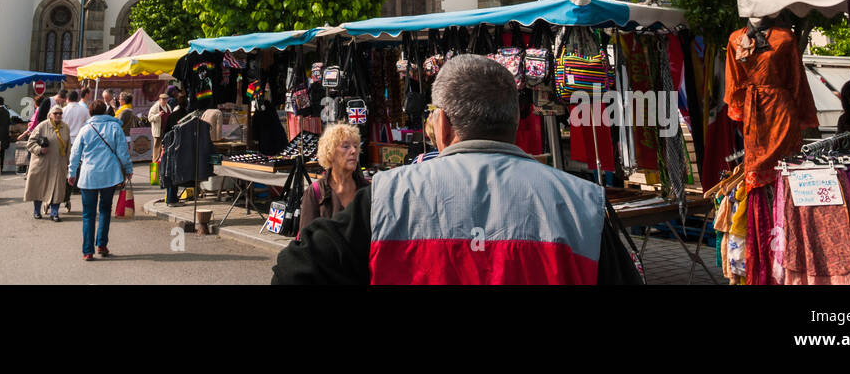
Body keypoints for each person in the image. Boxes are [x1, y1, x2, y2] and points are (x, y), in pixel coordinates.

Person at [272, 54, 640, 285]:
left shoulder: (387, 198)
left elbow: (294, 269)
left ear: (443, 126)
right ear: (514, 122)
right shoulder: (581, 203)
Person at [68, 100, 134, 261]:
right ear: (105, 111)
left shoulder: (85, 129)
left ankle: (87, 251)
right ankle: (102, 244)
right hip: (109, 175)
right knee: (105, 210)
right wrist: (129, 169)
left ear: (90, 113)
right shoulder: (115, 127)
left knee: (88, 214)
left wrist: (71, 172)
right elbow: (122, 152)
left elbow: (75, 153)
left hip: (88, 176)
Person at [299, 123, 369, 236]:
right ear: (330, 152)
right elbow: (305, 241)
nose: (353, 151)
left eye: (355, 146)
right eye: (346, 146)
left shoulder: (366, 190)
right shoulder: (316, 192)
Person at [25, 104, 70, 222]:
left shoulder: (65, 127)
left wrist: (69, 162)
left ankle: (54, 213)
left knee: (57, 189)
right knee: (39, 187)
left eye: (60, 113)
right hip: (43, 162)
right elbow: (30, 143)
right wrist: (39, 150)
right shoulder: (42, 126)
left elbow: (68, 146)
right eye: (56, 113)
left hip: (59, 163)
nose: (58, 115)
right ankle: (37, 211)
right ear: (50, 115)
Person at [148, 91, 171, 167]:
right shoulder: (155, 107)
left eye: (166, 99)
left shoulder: (168, 106)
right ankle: (154, 174)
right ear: (159, 99)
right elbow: (150, 118)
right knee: (156, 152)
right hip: (158, 132)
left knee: (164, 151)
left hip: (166, 131)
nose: (164, 101)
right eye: (163, 99)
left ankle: (162, 169)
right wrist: (158, 115)